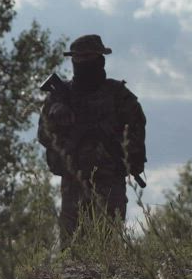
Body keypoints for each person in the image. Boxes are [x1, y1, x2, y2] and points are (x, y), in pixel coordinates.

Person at [37, 34, 146, 243]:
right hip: (73, 182)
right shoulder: (60, 96)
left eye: (90, 57)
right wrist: (57, 118)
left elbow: (136, 131)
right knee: (72, 250)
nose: (85, 62)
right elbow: (43, 135)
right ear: (73, 61)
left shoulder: (118, 95)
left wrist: (126, 156)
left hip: (110, 181)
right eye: (80, 58)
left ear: (101, 59)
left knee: (108, 247)